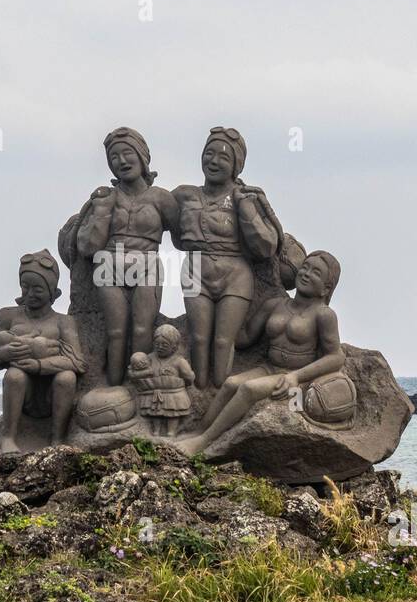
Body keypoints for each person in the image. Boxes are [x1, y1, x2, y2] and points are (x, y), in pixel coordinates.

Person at [176, 251, 344, 456]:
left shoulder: (324, 315)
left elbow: (336, 357)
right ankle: (199, 430)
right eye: (305, 267)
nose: (306, 273)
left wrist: (296, 377)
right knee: (231, 383)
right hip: (269, 368)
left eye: (316, 272)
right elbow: (245, 337)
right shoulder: (275, 304)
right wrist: (218, 321)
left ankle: (204, 441)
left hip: (295, 381)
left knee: (248, 389)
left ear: (326, 288)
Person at [171, 126, 283, 389]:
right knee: (199, 337)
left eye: (223, 157)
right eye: (208, 153)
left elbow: (267, 247)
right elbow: (165, 226)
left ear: (237, 166)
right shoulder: (183, 195)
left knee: (223, 340)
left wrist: (246, 211)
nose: (213, 161)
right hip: (195, 269)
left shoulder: (246, 197)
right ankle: (199, 393)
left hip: (235, 273)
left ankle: (220, 391)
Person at [73, 127, 179, 386]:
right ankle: (114, 386)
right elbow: (87, 247)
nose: (121, 161)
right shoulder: (106, 198)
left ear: (142, 156)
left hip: (147, 265)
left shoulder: (161, 198)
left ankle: (137, 388)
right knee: (116, 332)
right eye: (114, 157)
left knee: (143, 329)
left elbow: (184, 239)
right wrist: (101, 210)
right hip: (109, 264)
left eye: (127, 153)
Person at [0, 250, 86, 455]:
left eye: (38, 289)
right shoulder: (7, 317)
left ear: (53, 293)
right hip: (24, 395)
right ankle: (8, 437)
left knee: (66, 377)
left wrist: (40, 366)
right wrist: (6, 353)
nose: (30, 294)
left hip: (52, 396)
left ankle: (57, 438)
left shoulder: (63, 322)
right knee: (14, 374)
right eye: (25, 287)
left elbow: (77, 362)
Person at [127, 325, 195, 437]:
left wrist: (174, 374)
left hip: (173, 393)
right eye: (157, 344)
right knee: (156, 412)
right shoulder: (149, 358)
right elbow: (132, 372)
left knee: (173, 413)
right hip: (154, 391)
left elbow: (189, 377)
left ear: (174, 347)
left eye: (165, 345)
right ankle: (156, 431)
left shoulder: (179, 361)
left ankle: (171, 432)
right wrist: (145, 373)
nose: (160, 347)